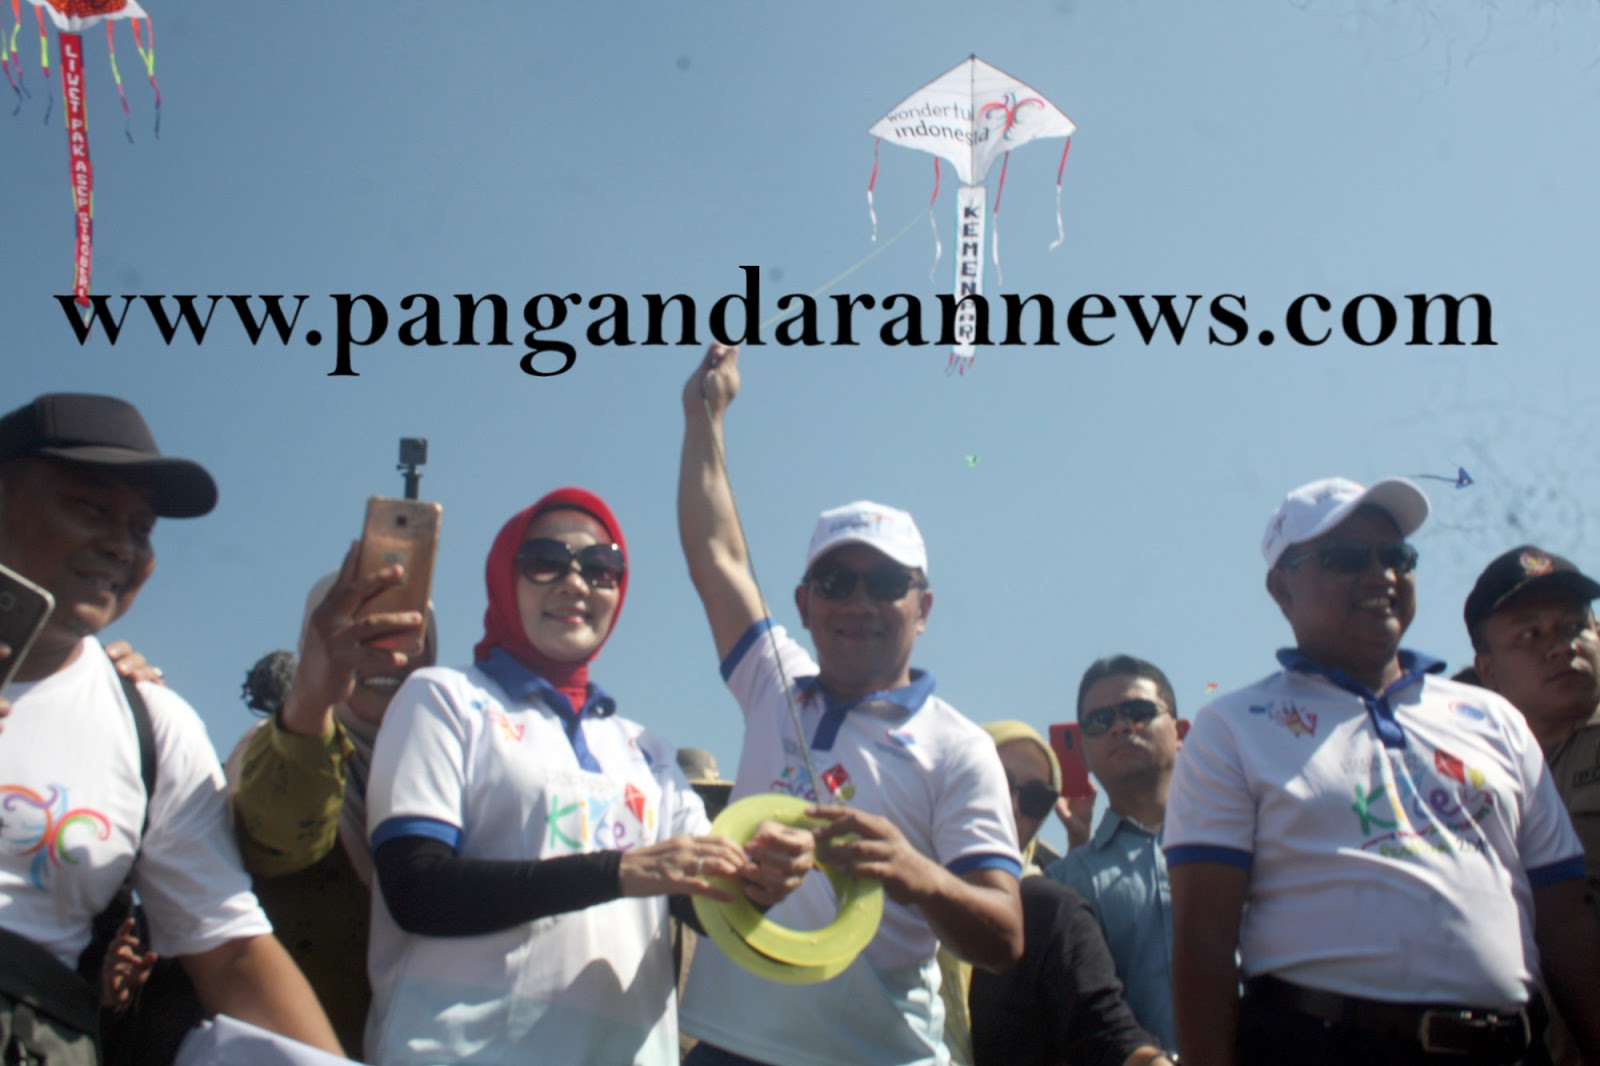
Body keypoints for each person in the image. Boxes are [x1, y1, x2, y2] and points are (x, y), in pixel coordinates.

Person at [362, 486, 813, 1065]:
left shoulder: (646, 750)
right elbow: (417, 890)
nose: (575, 584)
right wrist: (619, 872)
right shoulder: (444, 699)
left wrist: (764, 880)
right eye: (546, 561)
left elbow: (706, 906)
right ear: (505, 576)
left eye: (601, 568)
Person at [1165, 475, 1600, 1066]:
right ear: (1281, 588)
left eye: (1397, 555)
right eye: (1346, 558)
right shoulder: (1232, 728)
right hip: (1322, 1046)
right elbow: (1204, 942)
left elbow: (1567, 923)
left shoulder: (1493, 718)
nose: (1381, 574)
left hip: (1511, 1049)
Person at [676, 344, 1024, 1066]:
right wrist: (702, 415)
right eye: (835, 581)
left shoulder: (959, 748)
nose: (859, 601)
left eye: (886, 582)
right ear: (804, 604)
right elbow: (718, 553)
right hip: (727, 1050)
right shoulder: (775, 684)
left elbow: (1004, 936)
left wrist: (914, 871)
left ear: (922, 607)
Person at [0, 393, 342, 1062]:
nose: (121, 546)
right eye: (90, 508)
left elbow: (233, 950)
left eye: (142, 527)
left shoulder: (152, 726)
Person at [227, 545, 434, 1057]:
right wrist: (310, 701)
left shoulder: (446, 781)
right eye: (362, 633)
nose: (389, 654)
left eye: (407, 635)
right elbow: (278, 839)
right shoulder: (276, 747)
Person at [967, 721, 1172, 1066]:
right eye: (996, 781)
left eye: (1036, 799)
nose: (1013, 807)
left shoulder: (1047, 909)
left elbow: (1104, 1031)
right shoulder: (881, 876)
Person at [1466, 544, 1600, 1066]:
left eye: (1574, 626)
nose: (1560, 647)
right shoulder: (1461, 779)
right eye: (1530, 634)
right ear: (1487, 669)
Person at [1045, 655, 1182, 1056]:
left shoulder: (1241, 846)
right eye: (1099, 721)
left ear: (1178, 730)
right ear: (1084, 752)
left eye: (1139, 712)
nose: (1122, 727)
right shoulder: (1063, 884)